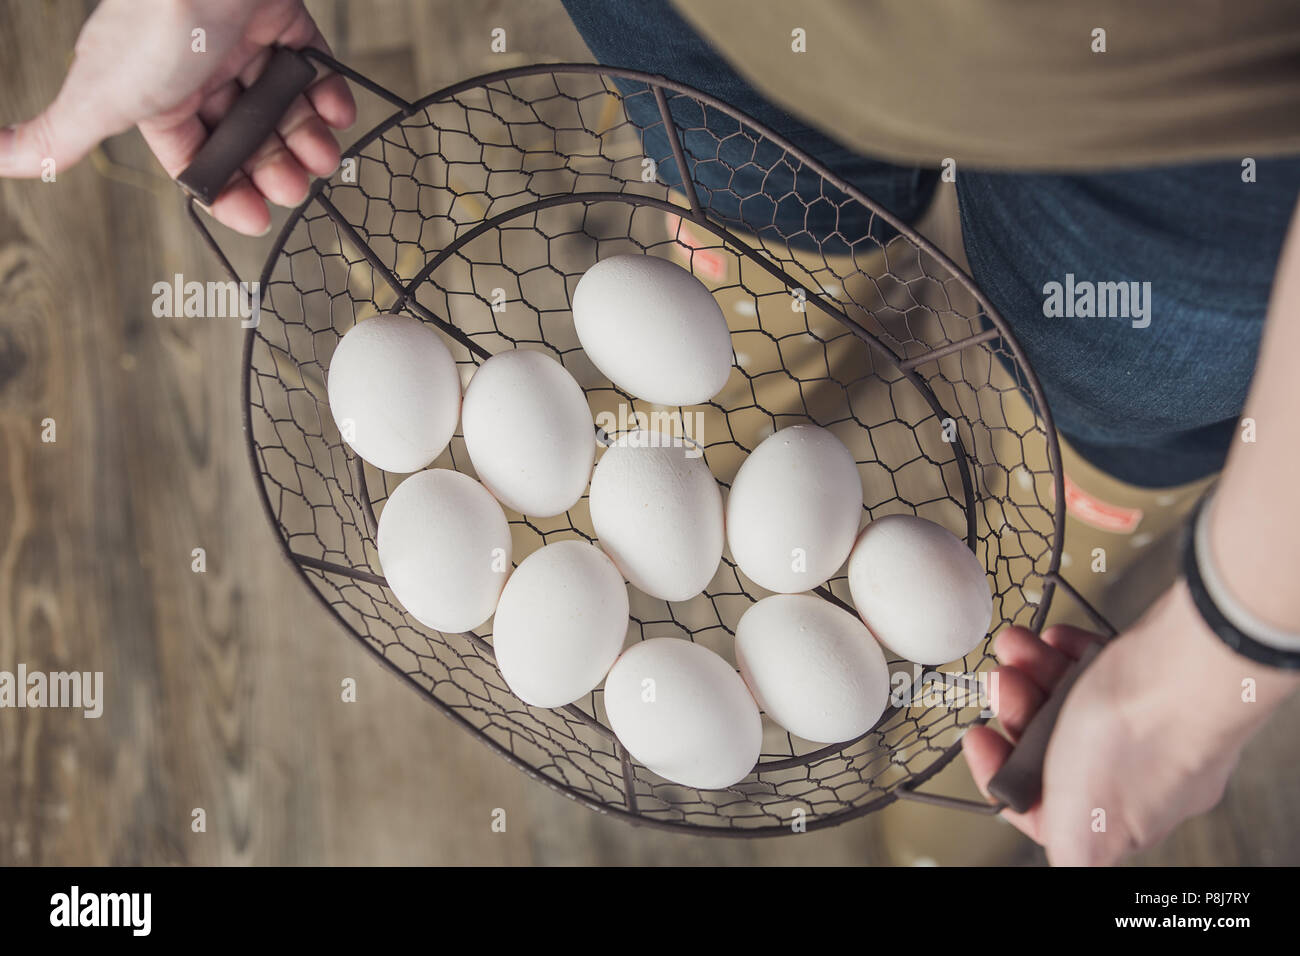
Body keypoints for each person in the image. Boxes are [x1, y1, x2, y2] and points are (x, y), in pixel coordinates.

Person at [3, 0, 1297, 865]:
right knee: (759, 247)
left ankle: (1068, 499)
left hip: (1199, 132)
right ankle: (749, 386)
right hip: (713, 25)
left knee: (1110, 394)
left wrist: (1224, 648)